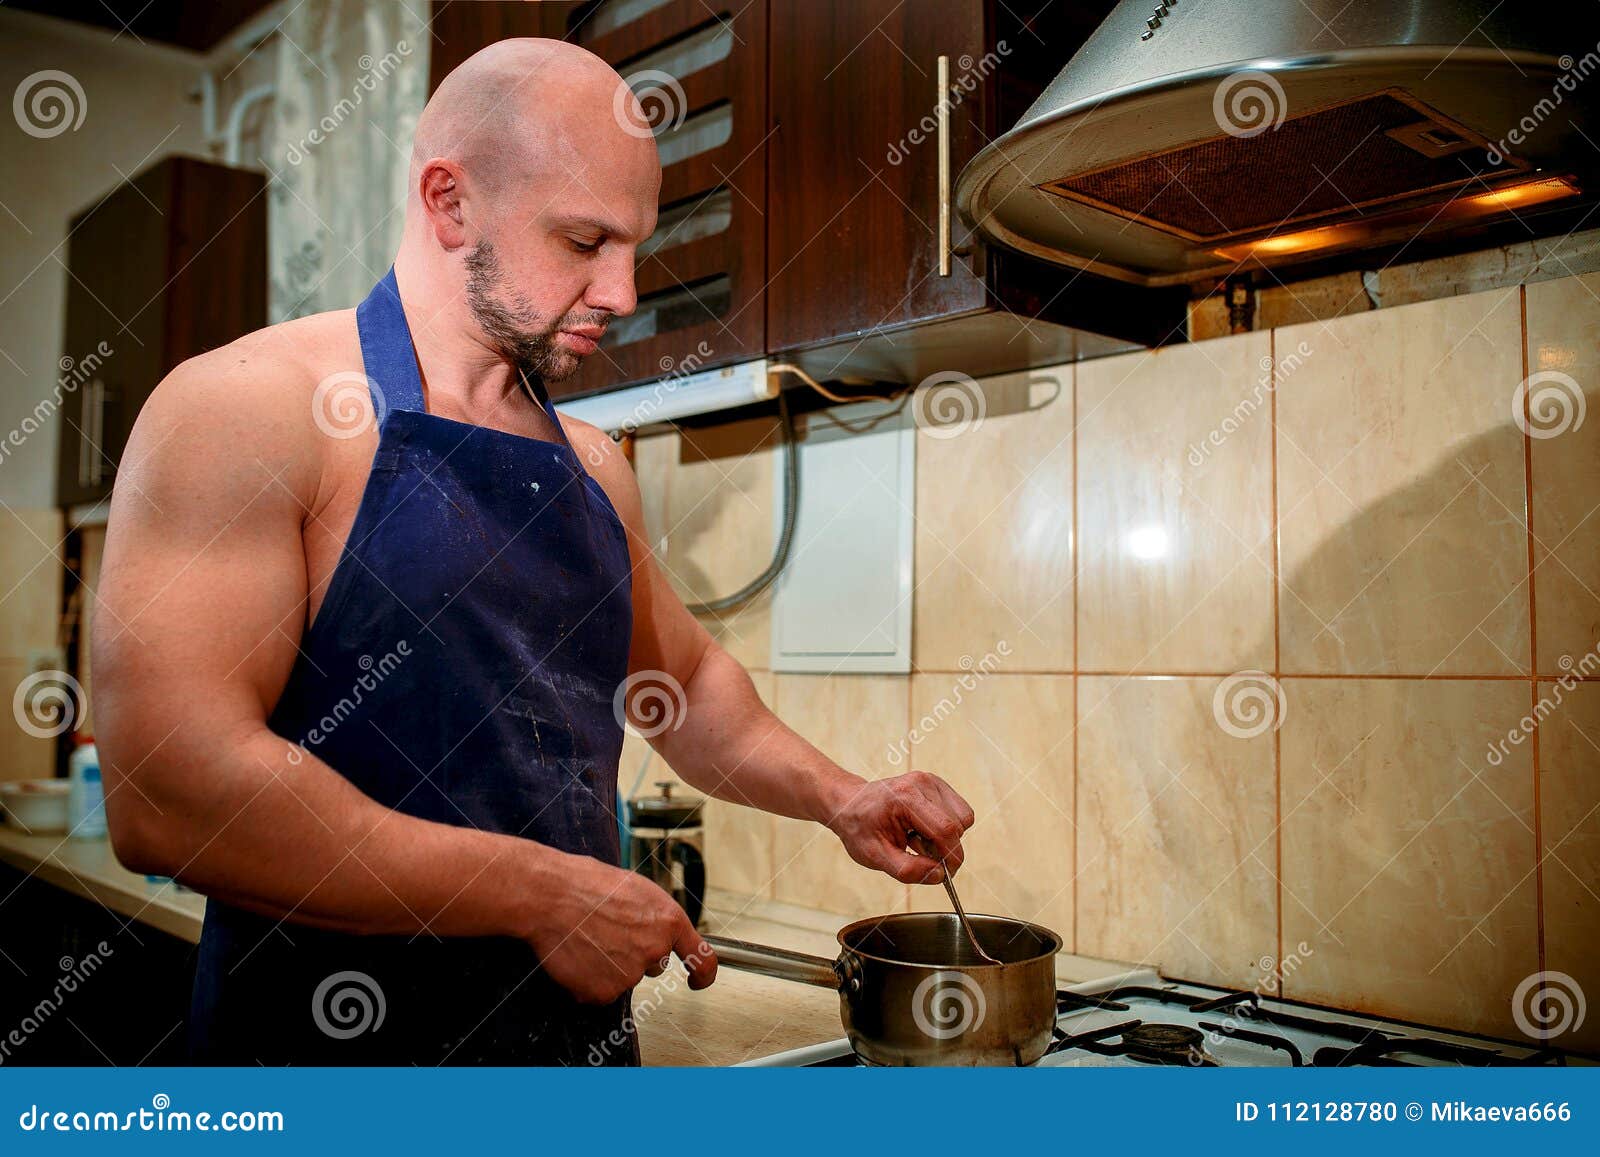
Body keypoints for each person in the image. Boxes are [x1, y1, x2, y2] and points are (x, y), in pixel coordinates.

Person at [92, 38, 974, 1065]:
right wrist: (538, 892)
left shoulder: (594, 464)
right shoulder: (246, 406)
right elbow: (167, 790)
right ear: (449, 202)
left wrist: (842, 796)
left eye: (633, 244)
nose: (624, 290)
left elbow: (681, 680)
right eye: (584, 239)